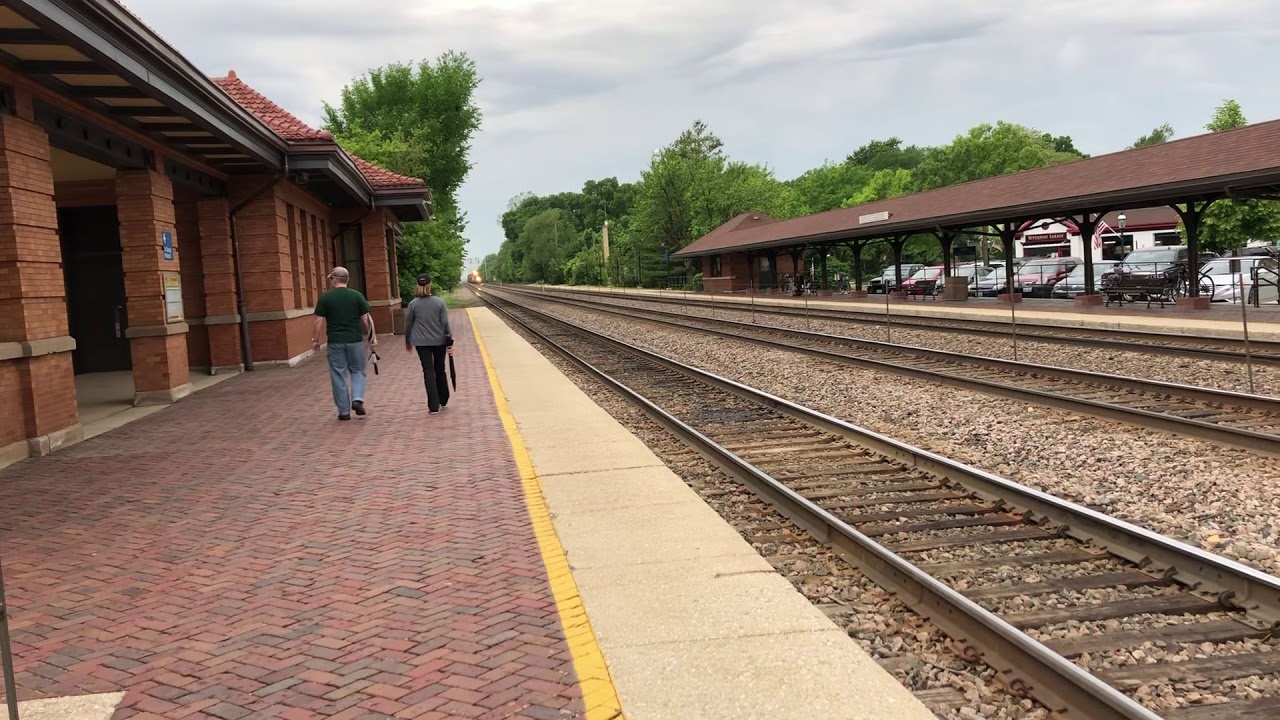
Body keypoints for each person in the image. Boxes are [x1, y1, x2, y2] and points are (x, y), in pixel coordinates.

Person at [313, 266, 375, 421]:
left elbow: (318, 320)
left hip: (335, 341)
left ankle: (344, 411)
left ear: (334, 279)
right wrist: (372, 338)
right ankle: (357, 398)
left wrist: (316, 340)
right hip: (354, 340)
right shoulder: (357, 296)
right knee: (358, 370)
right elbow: (367, 319)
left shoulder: (326, 297)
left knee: (338, 374)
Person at [403, 273, 453, 414]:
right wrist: (449, 342)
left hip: (421, 342)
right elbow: (445, 324)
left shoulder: (413, 304)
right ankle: (443, 398)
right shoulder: (439, 302)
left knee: (428, 371)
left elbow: (408, 324)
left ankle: (433, 406)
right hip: (439, 341)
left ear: (417, 286)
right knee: (440, 368)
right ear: (430, 285)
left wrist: (408, 341)